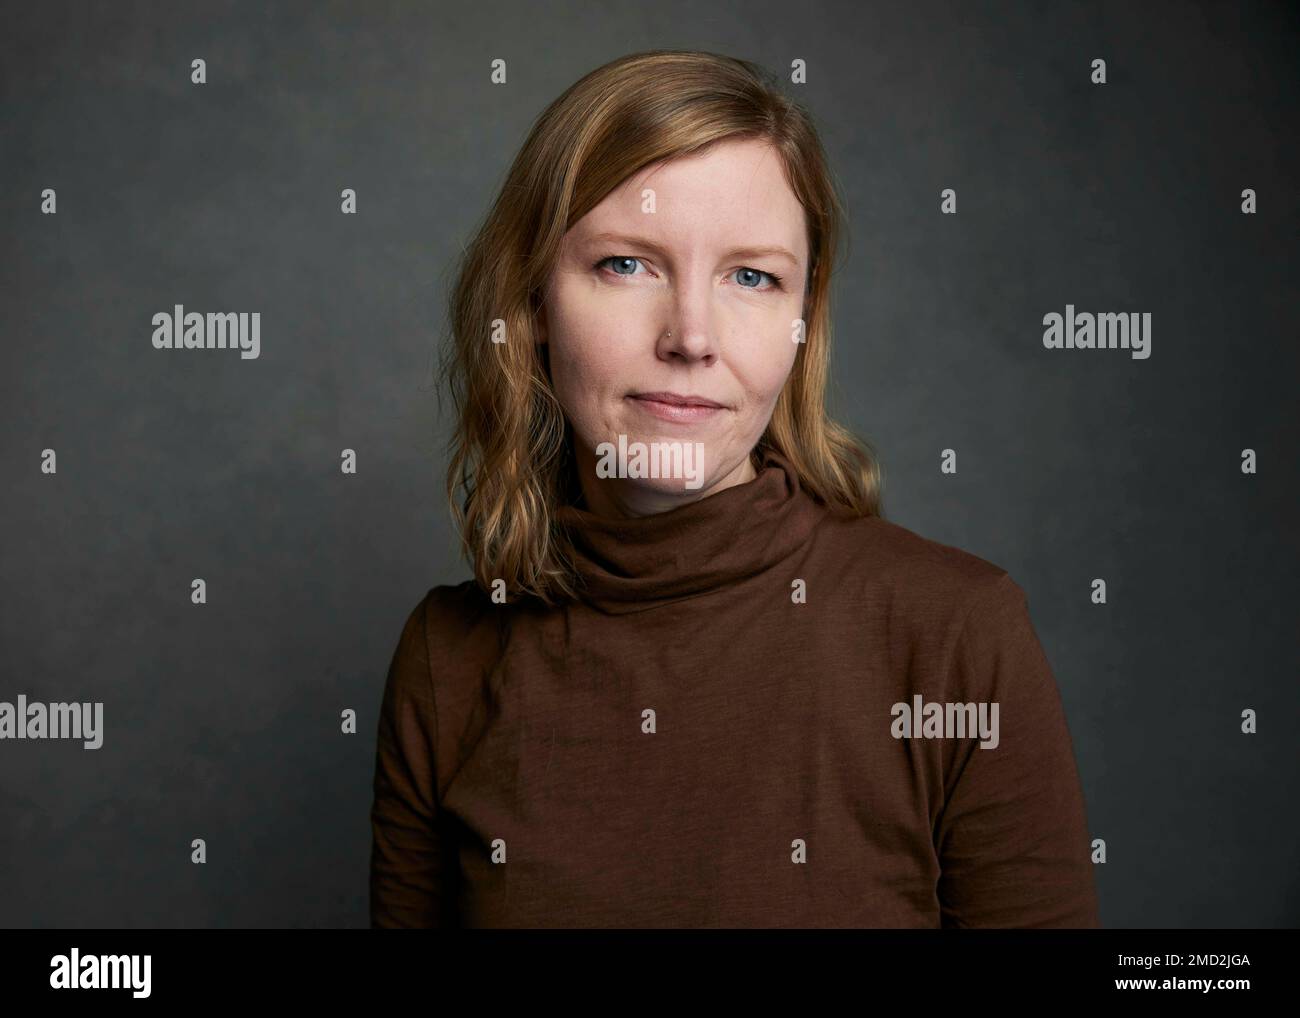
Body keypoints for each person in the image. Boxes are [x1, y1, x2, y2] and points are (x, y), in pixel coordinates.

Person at [369, 49, 1100, 928]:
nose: (691, 336)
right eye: (626, 265)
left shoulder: (953, 633)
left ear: (800, 325)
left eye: (751, 276)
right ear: (529, 307)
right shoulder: (448, 658)